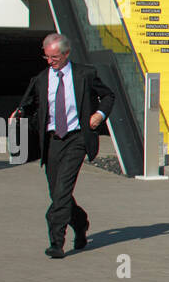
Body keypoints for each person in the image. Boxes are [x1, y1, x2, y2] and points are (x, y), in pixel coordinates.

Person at [11, 33, 115, 258]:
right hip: (52, 141)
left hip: (76, 138)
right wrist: (20, 113)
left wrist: (99, 114)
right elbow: (32, 104)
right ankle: (80, 223)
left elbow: (108, 96)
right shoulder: (41, 79)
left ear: (67, 54)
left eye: (54, 57)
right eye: (47, 57)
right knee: (57, 193)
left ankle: (56, 243)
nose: (50, 62)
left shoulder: (85, 74)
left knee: (63, 190)